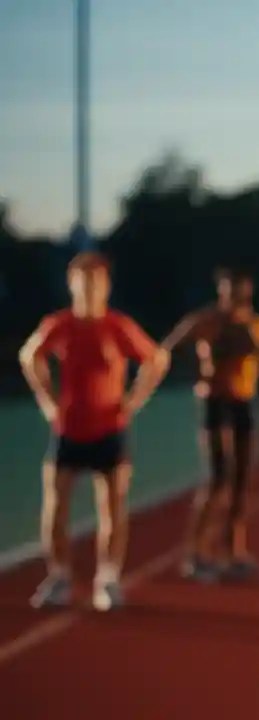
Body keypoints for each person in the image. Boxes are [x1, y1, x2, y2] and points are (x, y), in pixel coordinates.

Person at [18, 251, 170, 611]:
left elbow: (157, 359)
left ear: (106, 285)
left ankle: (108, 578)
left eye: (97, 280)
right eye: (82, 280)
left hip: (110, 430)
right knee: (55, 507)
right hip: (68, 430)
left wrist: (135, 399)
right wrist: (46, 399)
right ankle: (59, 577)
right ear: (71, 284)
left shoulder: (117, 326)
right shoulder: (60, 324)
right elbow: (30, 356)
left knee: (113, 508)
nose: (89, 286)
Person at [163, 266, 259, 582]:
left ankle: (233, 552)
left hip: (244, 402)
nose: (232, 296)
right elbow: (168, 349)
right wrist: (193, 373)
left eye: (238, 289)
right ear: (220, 291)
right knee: (216, 477)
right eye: (227, 289)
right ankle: (196, 554)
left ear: (248, 290)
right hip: (214, 402)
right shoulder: (205, 321)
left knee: (241, 480)